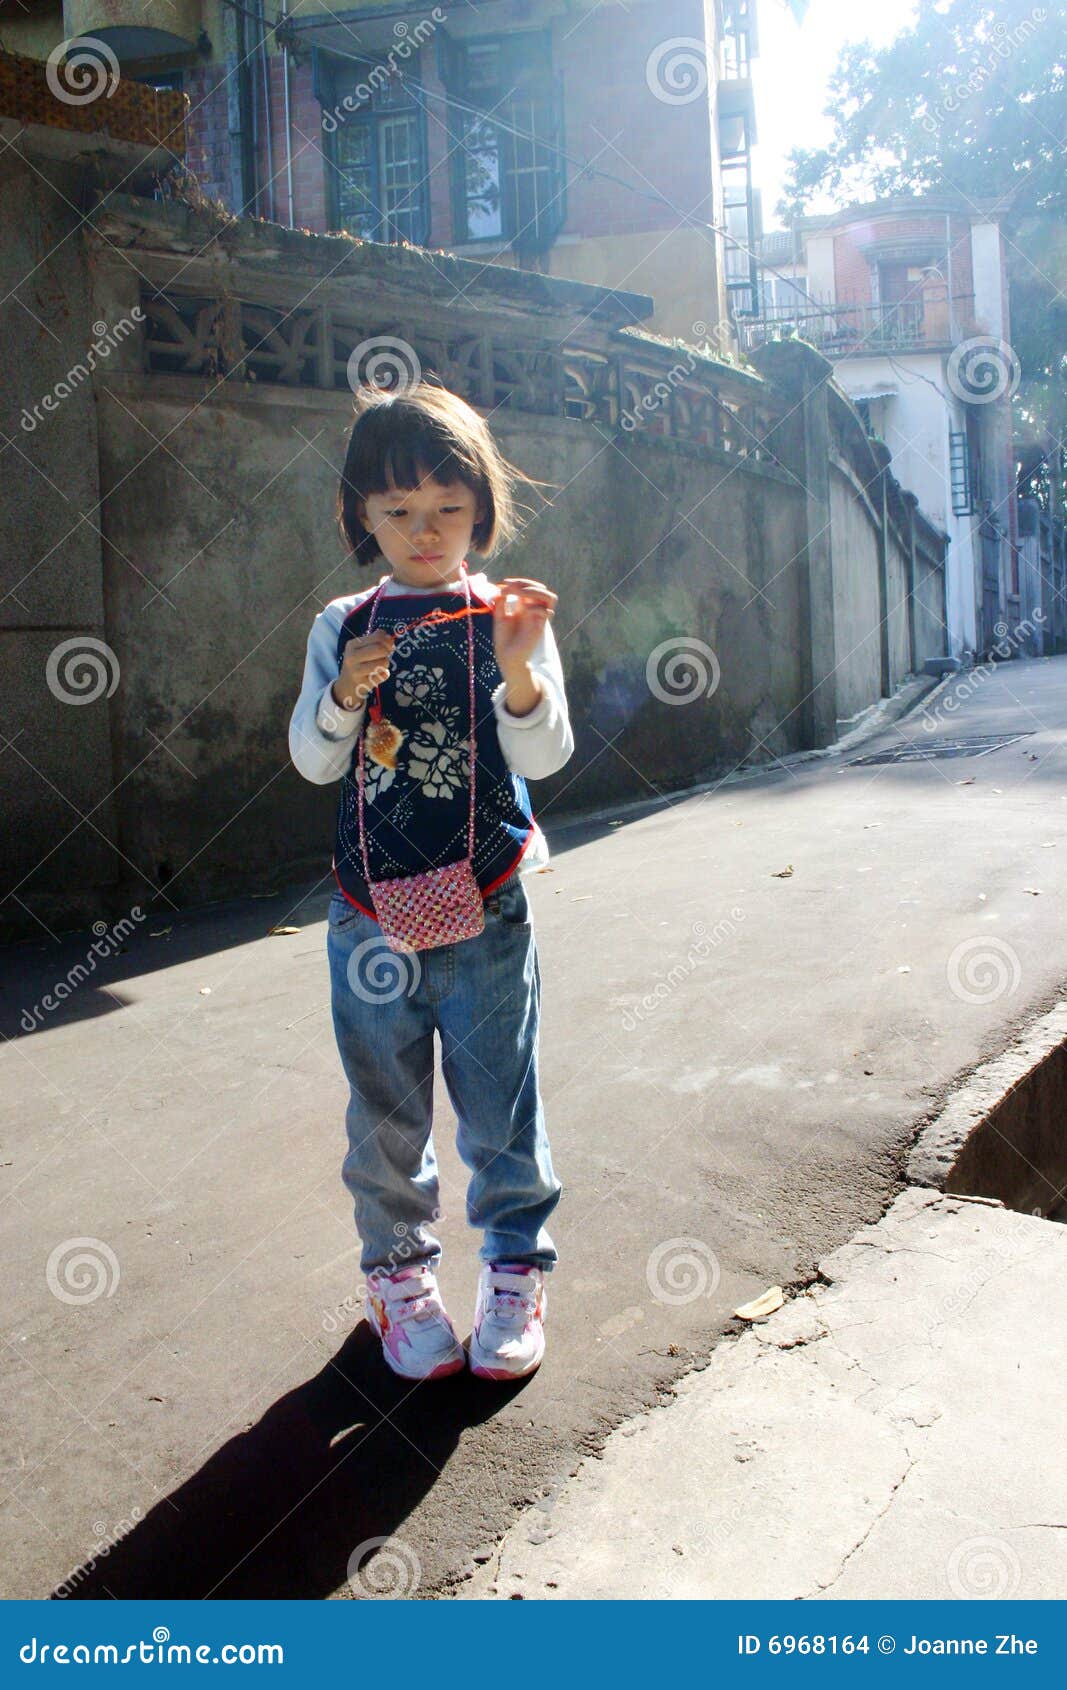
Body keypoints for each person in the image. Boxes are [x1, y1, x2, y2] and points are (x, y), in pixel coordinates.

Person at [288, 379, 574, 1384]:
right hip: (369, 913)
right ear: (361, 514)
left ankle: (512, 1269)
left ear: (482, 509)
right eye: (397, 510)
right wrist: (339, 696)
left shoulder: (506, 611)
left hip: (486, 902)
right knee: (384, 1109)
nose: (423, 529)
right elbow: (313, 763)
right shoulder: (344, 622)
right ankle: (399, 1274)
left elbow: (547, 748)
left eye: (447, 508)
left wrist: (520, 670)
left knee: (499, 1098)